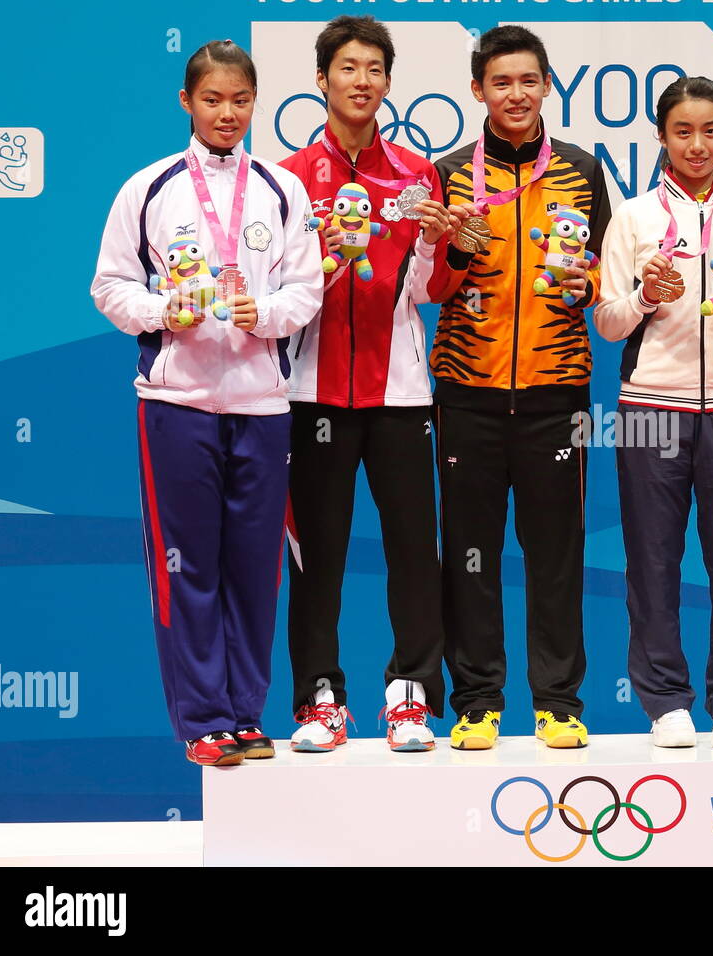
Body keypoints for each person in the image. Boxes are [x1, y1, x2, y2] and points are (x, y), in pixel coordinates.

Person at [91, 40, 323, 766]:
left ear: (255, 103)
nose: (228, 113)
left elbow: (306, 288)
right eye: (213, 99)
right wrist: (162, 311)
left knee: (254, 568)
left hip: (263, 405)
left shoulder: (282, 188)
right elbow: (110, 286)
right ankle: (202, 719)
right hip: (176, 401)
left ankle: (245, 714)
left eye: (241, 100)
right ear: (186, 102)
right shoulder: (148, 189)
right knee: (187, 566)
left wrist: (267, 314)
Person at [429, 25, 611, 750]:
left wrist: (587, 285)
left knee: (556, 554)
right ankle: (476, 701)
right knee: (469, 553)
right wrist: (455, 248)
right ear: (478, 89)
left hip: (555, 391)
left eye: (528, 81)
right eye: (501, 82)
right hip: (466, 390)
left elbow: (604, 274)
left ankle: (558, 702)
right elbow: (431, 286)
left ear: (547, 86)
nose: (516, 94)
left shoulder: (582, 170)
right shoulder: (448, 174)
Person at [279, 15, 452, 754]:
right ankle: (320, 700)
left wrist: (438, 242)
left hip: (401, 394)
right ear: (321, 79)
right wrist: (319, 257)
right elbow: (275, 290)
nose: (361, 80)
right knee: (316, 555)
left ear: (388, 82)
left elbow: (432, 290)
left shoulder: (416, 174)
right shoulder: (286, 178)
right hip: (312, 392)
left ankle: (410, 698)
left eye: (374, 69)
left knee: (414, 550)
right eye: (347, 67)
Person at [596, 77, 713, 749]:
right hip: (651, 405)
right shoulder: (633, 218)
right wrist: (645, 295)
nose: (697, 145)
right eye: (683, 132)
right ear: (661, 136)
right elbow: (608, 323)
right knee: (652, 560)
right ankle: (665, 702)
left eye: (710, 131)